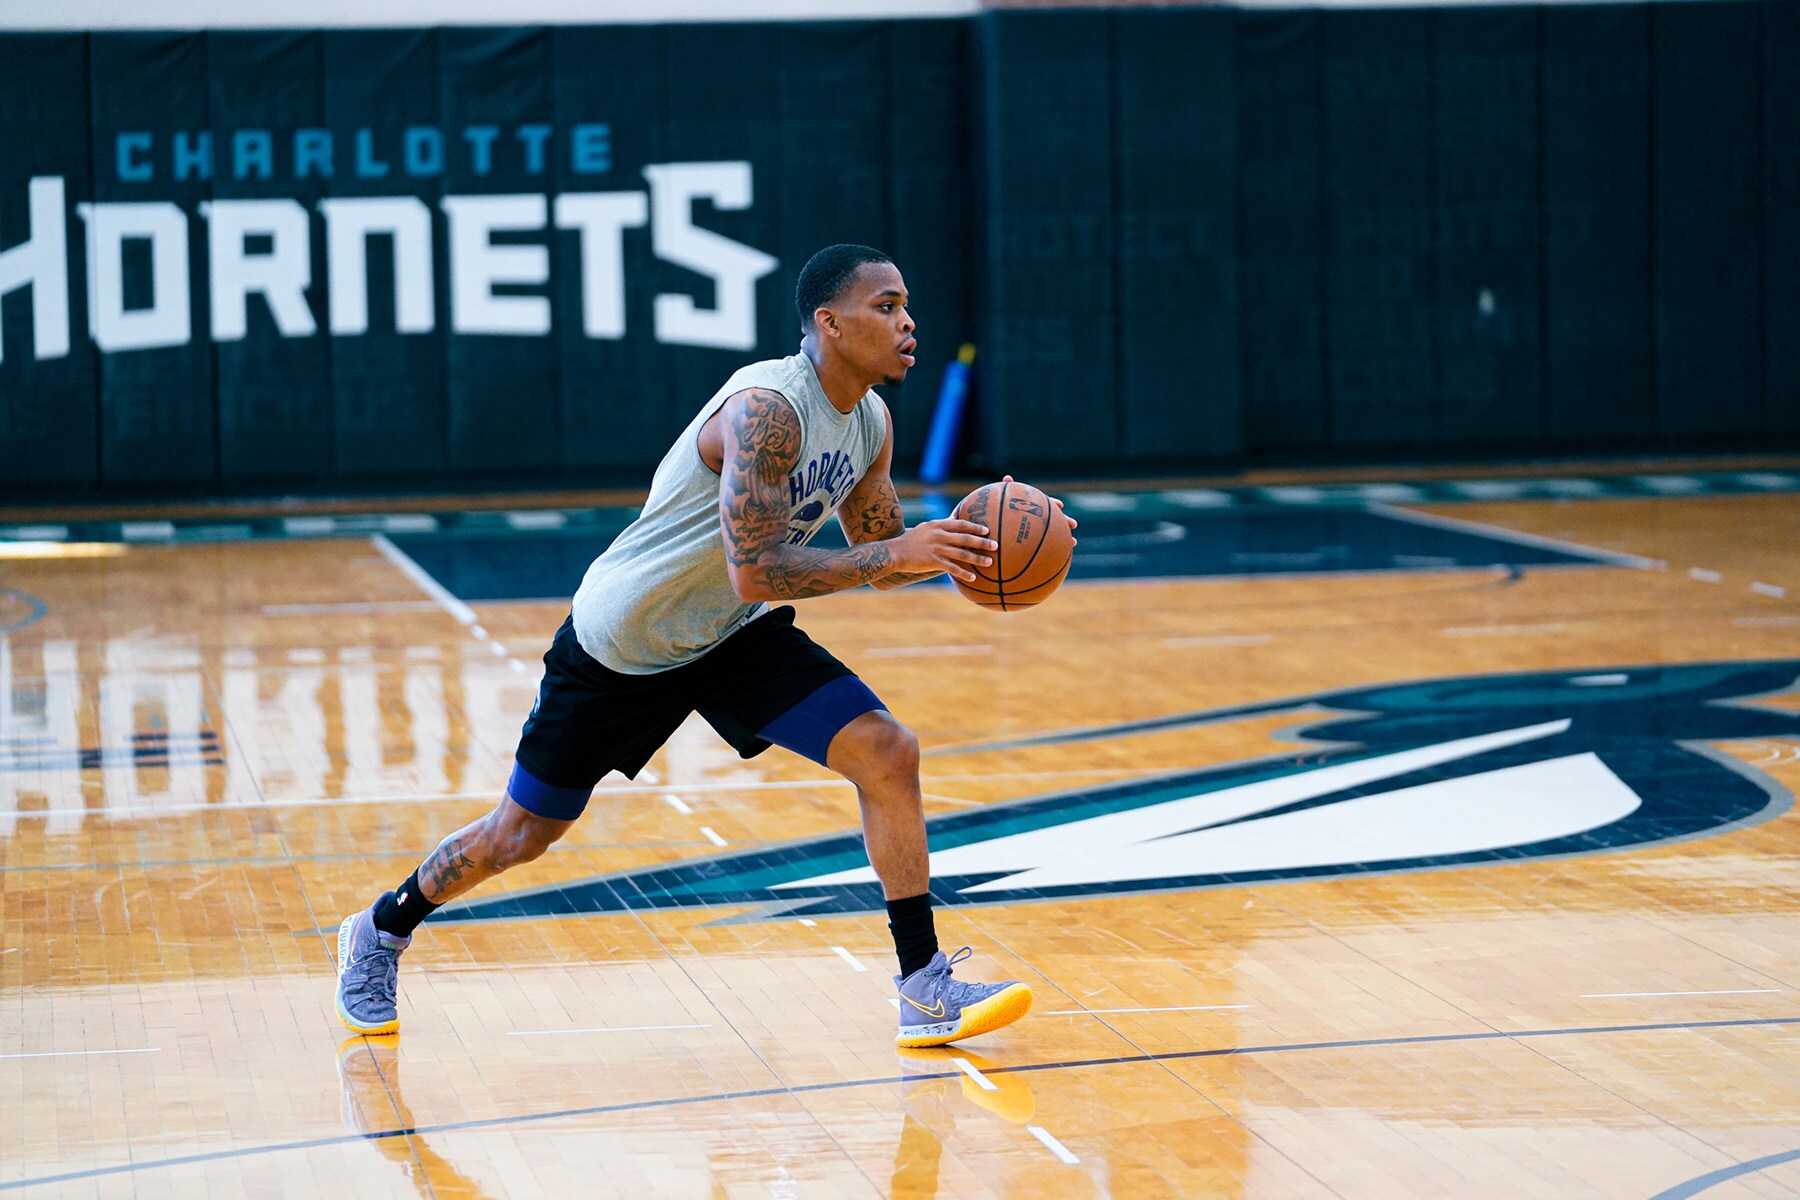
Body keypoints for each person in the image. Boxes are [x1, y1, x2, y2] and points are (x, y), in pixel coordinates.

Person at [335, 244, 1070, 1048]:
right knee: (520, 836)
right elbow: (756, 570)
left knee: (887, 751)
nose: (908, 321)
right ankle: (381, 928)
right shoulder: (767, 412)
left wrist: (963, 544)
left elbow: (880, 553)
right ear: (829, 323)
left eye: (905, 306)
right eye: (886, 306)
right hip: (625, 643)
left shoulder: (870, 423)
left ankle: (924, 986)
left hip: (729, 635)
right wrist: (895, 555)